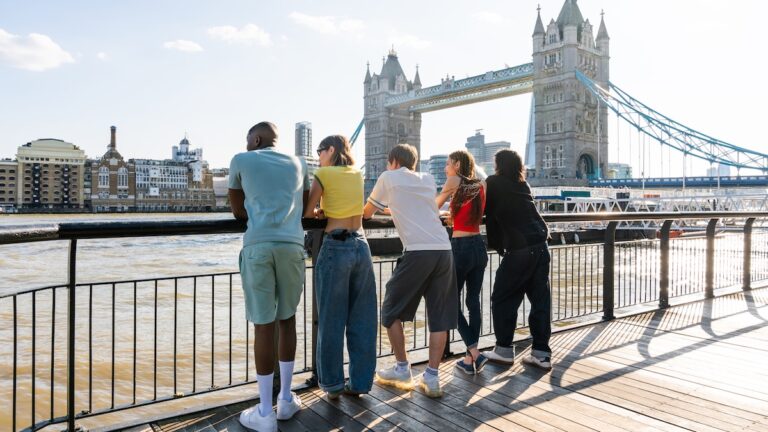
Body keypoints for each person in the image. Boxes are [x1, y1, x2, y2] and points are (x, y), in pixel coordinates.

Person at [229, 122, 309, 432]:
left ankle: (265, 410)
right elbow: (301, 205)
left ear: (257, 138)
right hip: (292, 246)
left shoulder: (241, 159)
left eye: (248, 138)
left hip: (259, 245)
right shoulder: (299, 163)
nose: (246, 142)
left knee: (263, 324)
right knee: (287, 320)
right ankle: (286, 399)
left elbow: (238, 209)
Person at [363, 143, 457, 398]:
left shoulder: (388, 177)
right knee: (439, 314)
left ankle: (403, 368)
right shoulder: (426, 178)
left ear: (393, 160)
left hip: (417, 251)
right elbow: (424, 208)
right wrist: (393, 208)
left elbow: (367, 212)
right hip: (443, 249)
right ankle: (432, 376)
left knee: (390, 309)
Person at [304, 135, 377, 399]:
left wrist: (320, 212)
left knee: (331, 320)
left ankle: (333, 385)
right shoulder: (357, 173)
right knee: (363, 319)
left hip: (335, 246)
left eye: (320, 150)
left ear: (331, 150)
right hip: (361, 245)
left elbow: (307, 211)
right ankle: (359, 383)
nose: (319, 155)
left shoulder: (323, 173)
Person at [483, 149, 553, 370]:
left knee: (503, 298)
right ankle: (541, 354)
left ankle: (504, 350)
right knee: (540, 301)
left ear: (499, 165)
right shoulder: (524, 185)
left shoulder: (493, 182)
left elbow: (481, 209)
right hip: (541, 245)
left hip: (520, 250)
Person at [435, 150, 489, 375]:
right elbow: (471, 212)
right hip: (479, 246)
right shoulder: (481, 184)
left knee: (450, 303)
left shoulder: (454, 180)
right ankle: (469, 360)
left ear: (457, 165)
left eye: (447, 164)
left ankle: (475, 352)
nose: (445, 168)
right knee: (473, 302)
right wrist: (454, 215)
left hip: (461, 249)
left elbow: (434, 205)